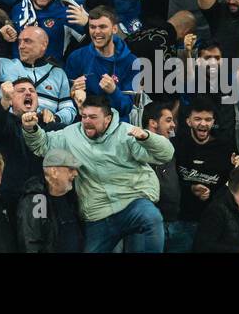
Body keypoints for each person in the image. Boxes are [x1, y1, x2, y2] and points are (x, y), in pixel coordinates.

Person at [22, 94, 174, 253]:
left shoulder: (126, 132)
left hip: (132, 204)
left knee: (151, 217)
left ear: (107, 119)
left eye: (93, 117)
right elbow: (42, 145)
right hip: (98, 214)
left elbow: (165, 154)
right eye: (84, 116)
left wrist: (147, 138)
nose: (87, 121)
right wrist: (31, 128)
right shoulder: (71, 134)